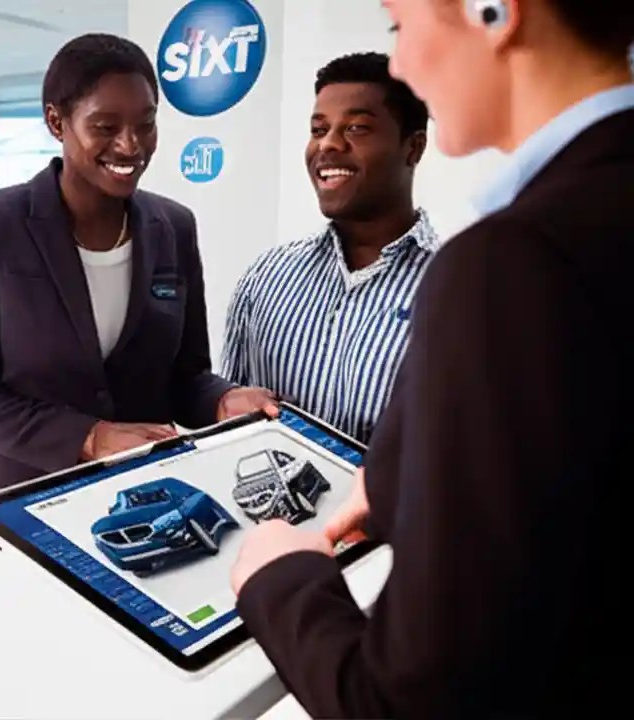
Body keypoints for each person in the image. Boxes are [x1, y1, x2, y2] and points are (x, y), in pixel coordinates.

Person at [229, 0, 633, 715]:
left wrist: (279, 578)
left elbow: (410, 701)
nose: (405, 62)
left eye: (399, 24)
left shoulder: (511, 262)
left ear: (494, 11)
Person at [0, 33, 277, 554]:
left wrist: (224, 399)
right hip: (29, 501)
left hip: (148, 502)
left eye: (146, 124)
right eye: (105, 127)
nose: (131, 146)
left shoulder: (173, 227)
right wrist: (87, 438)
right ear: (57, 123)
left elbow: (185, 375)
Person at [221, 52, 436, 444]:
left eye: (356, 128)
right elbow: (226, 427)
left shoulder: (458, 290)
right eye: (319, 129)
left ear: (413, 148)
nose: (329, 145)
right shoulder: (267, 277)